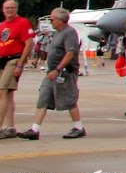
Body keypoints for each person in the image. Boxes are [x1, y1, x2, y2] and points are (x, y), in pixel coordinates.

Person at [13, 8, 84, 141]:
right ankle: (35, 129)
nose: (50, 22)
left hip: (64, 72)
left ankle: (78, 127)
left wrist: (58, 69)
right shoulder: (57, 32)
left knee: (69, 99)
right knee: (43, 98)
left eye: (52, 19)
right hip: (51, 72)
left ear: (60, 20)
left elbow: (70, 53)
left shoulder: (69, 33)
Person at [0, 0, 36, 140]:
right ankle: (10, 127)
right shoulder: (2, 26)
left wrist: (20, 64)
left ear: (16, 8)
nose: (9, 10)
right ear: (3, 9)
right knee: (8, 95)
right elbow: (0, 44)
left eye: (12, 8)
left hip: (14, 60)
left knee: (1, 92)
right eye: (7, 8)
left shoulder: (23, 23)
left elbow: (29, 44)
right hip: (1, 61)